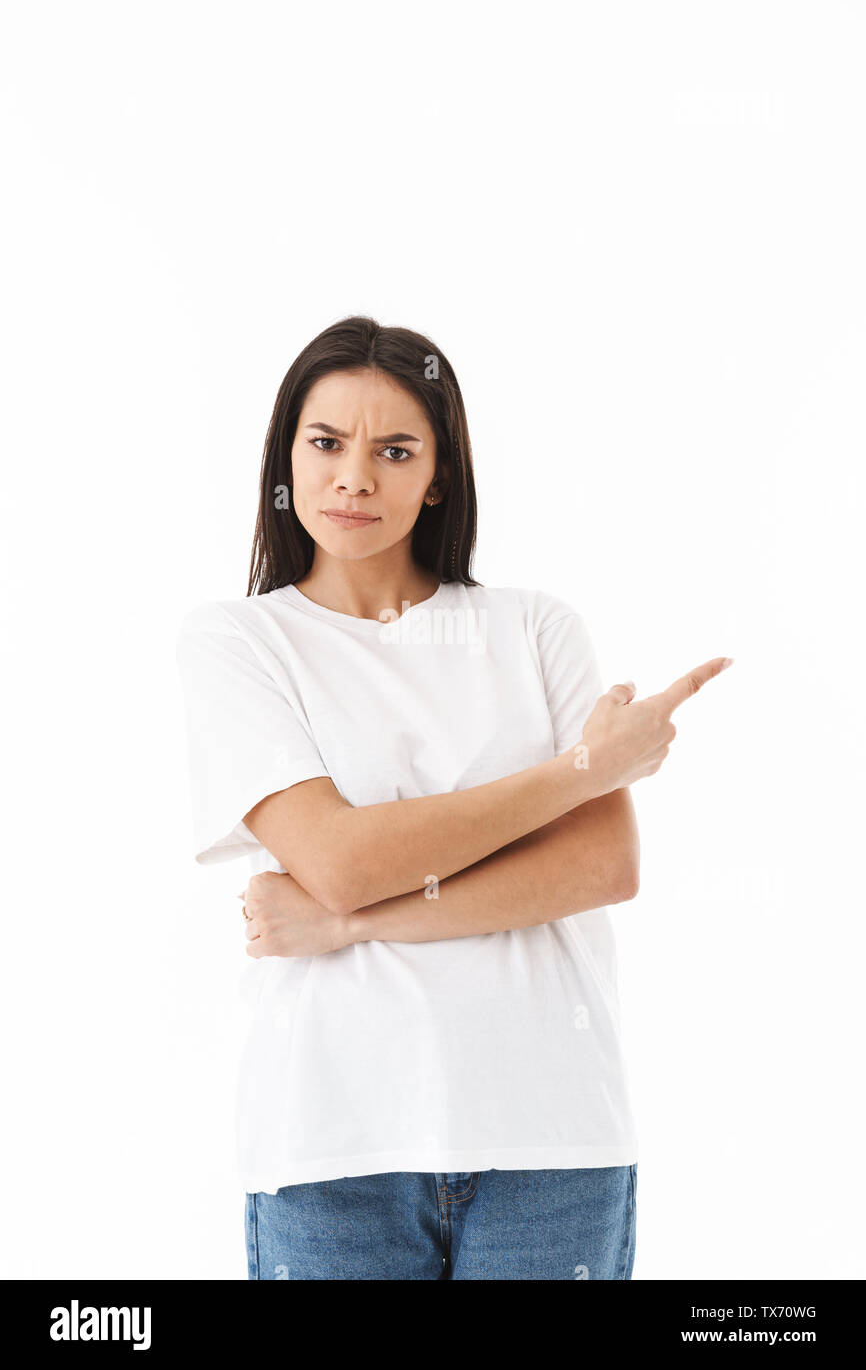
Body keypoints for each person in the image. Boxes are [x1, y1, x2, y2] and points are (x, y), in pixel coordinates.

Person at [176, 315, 731, 1280]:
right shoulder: (238, 643)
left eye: (395, 450)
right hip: (332, 1146)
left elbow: (601, 866)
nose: (356, 477)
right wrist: (578, 776)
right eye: (326, 443)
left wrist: (347, 927)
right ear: (287, 457)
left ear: (438, 475)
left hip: (550, 1141)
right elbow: (340, 862)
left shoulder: (535, 630)